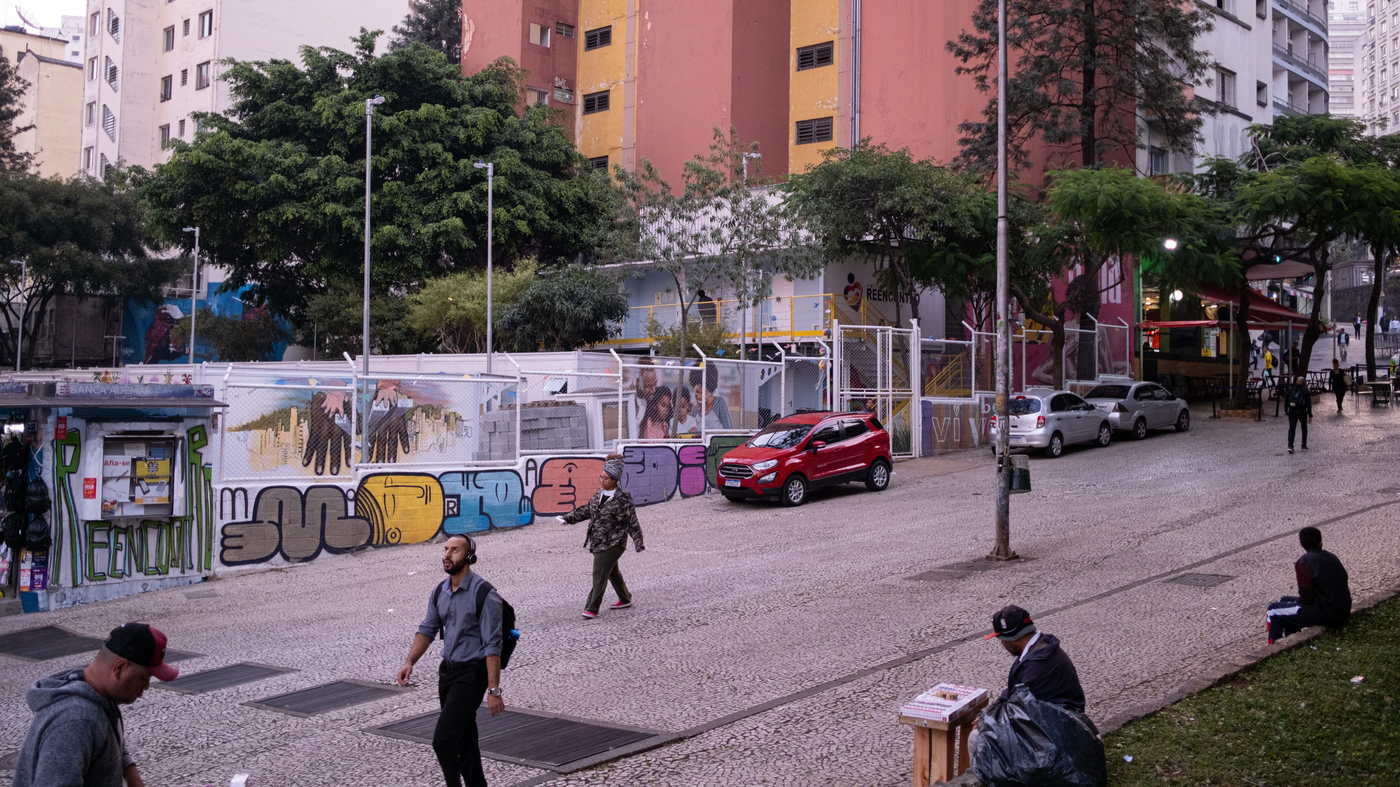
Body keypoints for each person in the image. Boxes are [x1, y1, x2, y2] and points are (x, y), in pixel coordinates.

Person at [397, 535, 505, 787]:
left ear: (469, 557)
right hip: (448, 673)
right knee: (465, 739)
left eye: (454, 550)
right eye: (445, 550)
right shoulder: (440, 591)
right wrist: (409, 661)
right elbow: (427, 629)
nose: (447, 555)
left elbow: (493, 646)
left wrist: (494, 690)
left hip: (472, 674)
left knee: (443, 740)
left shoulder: (485, 595)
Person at [14, 622, 179, 787]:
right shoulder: (76, 721)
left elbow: (111, 746)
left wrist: (129, 770)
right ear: (120, 668)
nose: (146, 687)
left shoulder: (100, 695)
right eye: (144, 678)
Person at [556, 454, 645, 619]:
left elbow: (632, 520)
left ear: (614, 479)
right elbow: (586, 510)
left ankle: (591, 608)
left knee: (599, 573)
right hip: (598, 541)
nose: (601, 480)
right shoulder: (598, 494)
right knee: (612, 571)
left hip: (615, 542)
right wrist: (567, 518)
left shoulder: (623, 498)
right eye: (601, 477)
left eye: (605, 478)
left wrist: (638, 542)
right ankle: (625, 598)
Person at [1266, 527, 1352, 644]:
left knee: (1273, 610)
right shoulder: (1331, 556)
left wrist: (1299, 603)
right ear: (1320, 542)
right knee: (1284, 600)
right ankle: (1293, 641)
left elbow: (1306, 596)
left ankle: (1274, 649)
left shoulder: (1304, 562)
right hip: (1342, 609)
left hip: (1326, 614)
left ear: (1301, 544)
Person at [1284, 374, 1312, 454]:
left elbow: (1286, 401)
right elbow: (1308, 404)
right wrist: (1310, 415)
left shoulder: (1291, 390)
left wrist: (1286, 411)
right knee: (1304, 427)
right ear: (1304, 383)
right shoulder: (1305, 392)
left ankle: (1290, 445)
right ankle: (1303, 444)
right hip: (1302, 411)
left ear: (1296, 382)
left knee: (1292, 428)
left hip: (1292, 410)